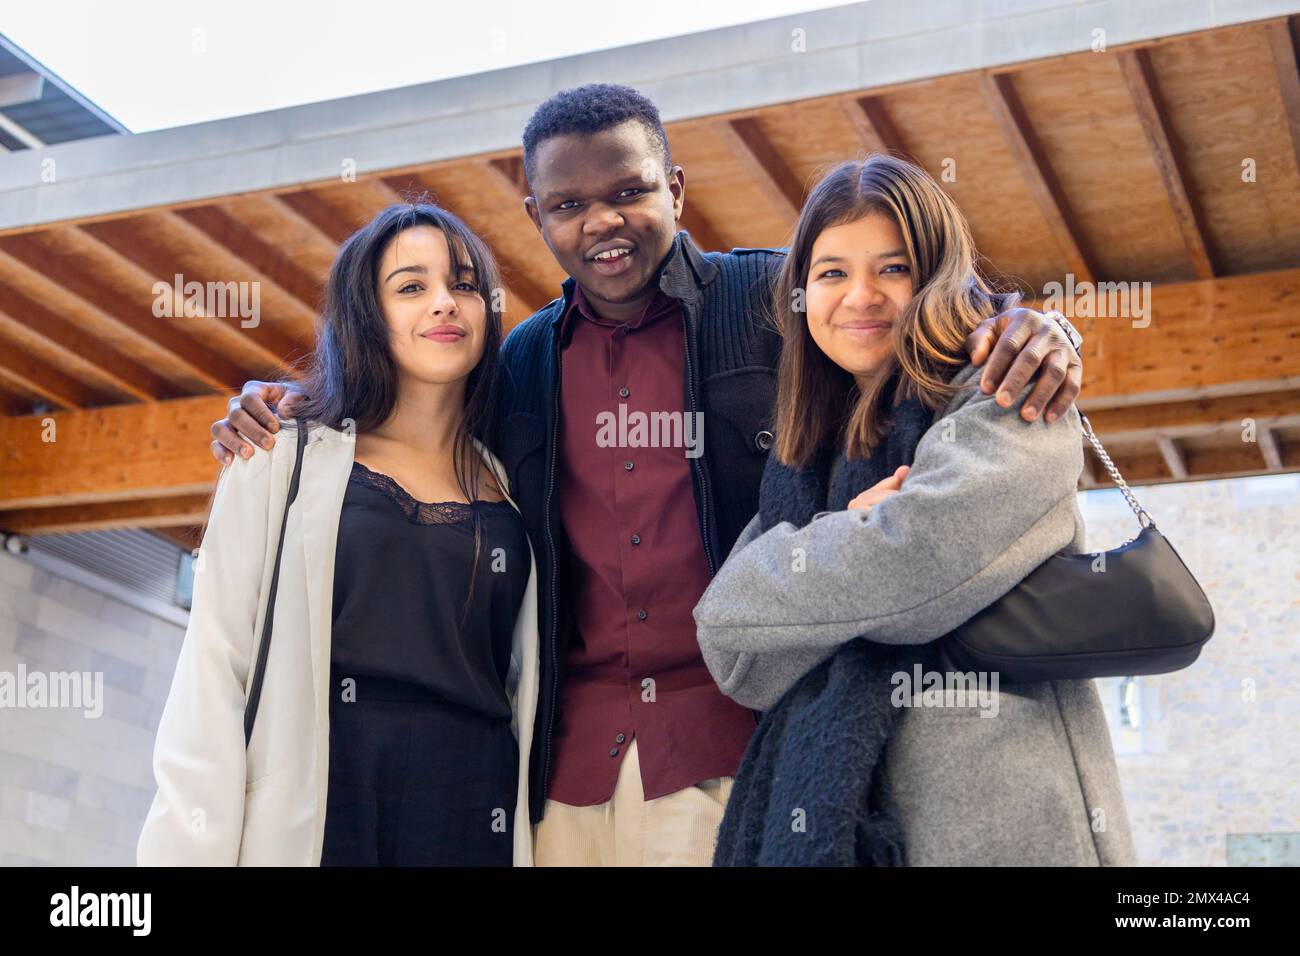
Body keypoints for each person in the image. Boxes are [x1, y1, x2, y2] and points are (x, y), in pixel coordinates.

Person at [205, 84, 1084, 866]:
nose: (602, 220)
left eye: (628, 191)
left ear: (674, 189)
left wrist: (1033, 328)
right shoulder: (516, 363)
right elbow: (408, 415)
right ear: (537, 214)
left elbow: (906, 330)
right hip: (562, 782)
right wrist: (296, 405)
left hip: (737, 757)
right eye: (570, 203)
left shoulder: (774, 303)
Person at [692, 155, 1135, 866]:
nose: (859, 295)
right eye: (832, 272)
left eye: (892, 269)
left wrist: (796, 564)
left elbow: (919, 557)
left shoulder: (1011, 392)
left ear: (934, 277)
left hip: (995, 823)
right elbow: (732, 647)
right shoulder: (807, 458)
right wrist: (847, 532)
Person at [138, 203, 540, 866]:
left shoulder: (514, 483)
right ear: (368, 316)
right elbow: (215, 670)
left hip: (476, 813)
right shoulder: (277, 454)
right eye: (412, 287)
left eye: (463, 284)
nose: (445, 303)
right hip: (325, 803)